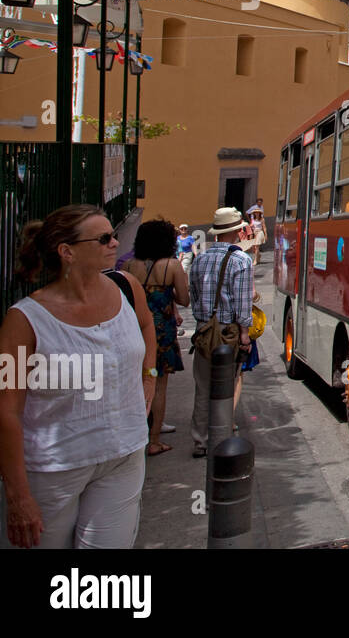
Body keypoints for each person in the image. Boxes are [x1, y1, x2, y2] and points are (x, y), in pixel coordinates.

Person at [0, 205, 156, 548]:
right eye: (103, 238)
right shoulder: (24, 320)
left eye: (113, 235)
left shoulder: (126, 286)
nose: (115, 243)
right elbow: (6, 410)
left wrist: (150, 376)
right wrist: (17, 496)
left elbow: (146, 325)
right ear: (67, 252)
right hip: (53, 469)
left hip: (124, 456)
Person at [187, 207, 253, 458]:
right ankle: (221, 436)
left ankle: (200, 440)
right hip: (227, 332)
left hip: (203, 330)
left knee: (203, 387)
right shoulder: (241, 260)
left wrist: (203, 320)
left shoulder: (199, 259)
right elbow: (242, 302)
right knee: (226, 385)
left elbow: (192, 296)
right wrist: (244, 334)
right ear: (236, 231)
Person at [123, 219, 190, 457]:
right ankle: (154, 440)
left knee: (134, 383)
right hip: (161, 334)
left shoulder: (129, 266)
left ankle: (133, 436)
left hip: (134, 331)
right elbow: (184, 299)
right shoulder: (171, 266)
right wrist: (166, 292)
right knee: (158, 384)